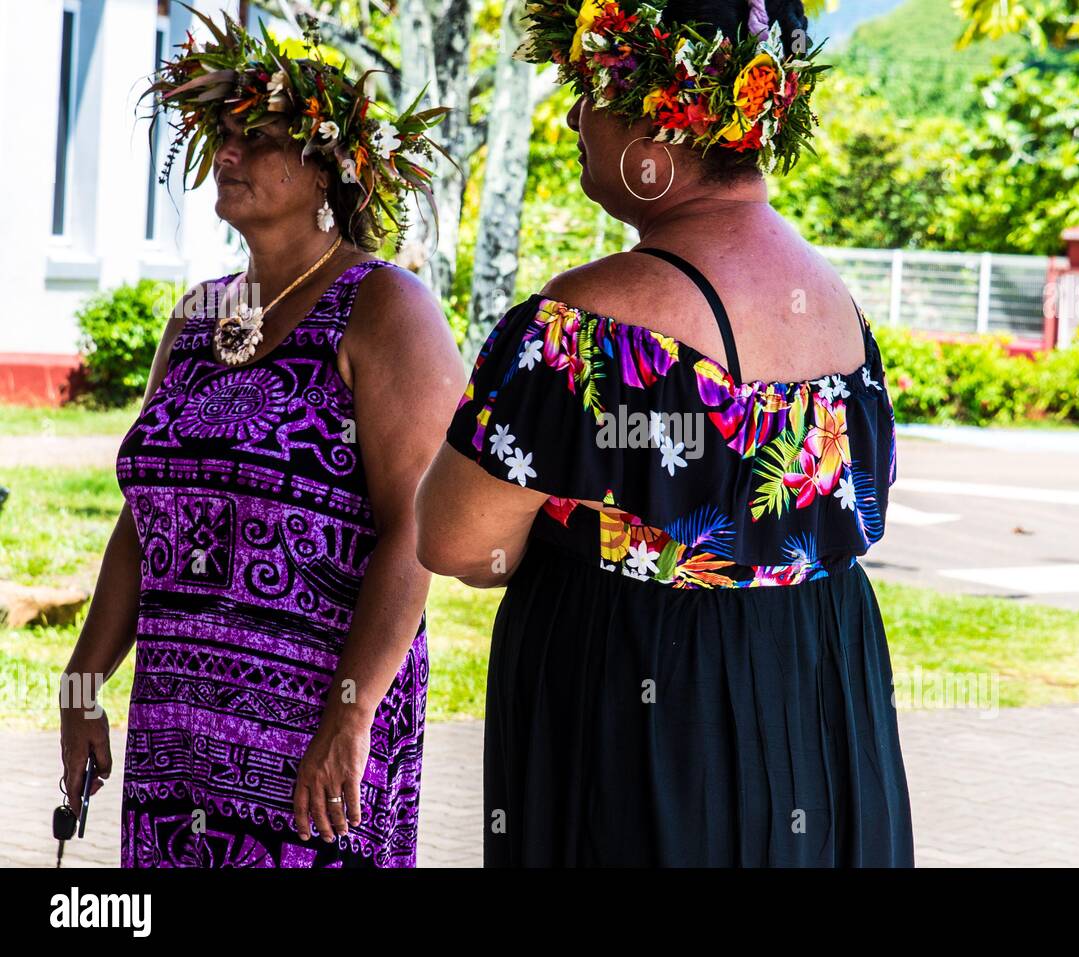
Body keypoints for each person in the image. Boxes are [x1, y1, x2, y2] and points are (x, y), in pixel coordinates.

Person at [415, 0, 913, 865]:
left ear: (663, 117)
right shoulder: (839, 309)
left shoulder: (583, 324)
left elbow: (458, 543)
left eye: (590, 89)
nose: (573, 117)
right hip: (822, 691)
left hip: (643, 711)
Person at [58, 14, 463, 866]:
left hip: (313, 736)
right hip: (178, 728)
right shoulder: (200, 313)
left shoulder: (387, 309)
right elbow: (149, 516)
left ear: (329, 170)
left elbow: (416, 531)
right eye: (222, 136)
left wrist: (350, 716)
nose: (227, 154)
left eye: (257, 137)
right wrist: (83, 681)